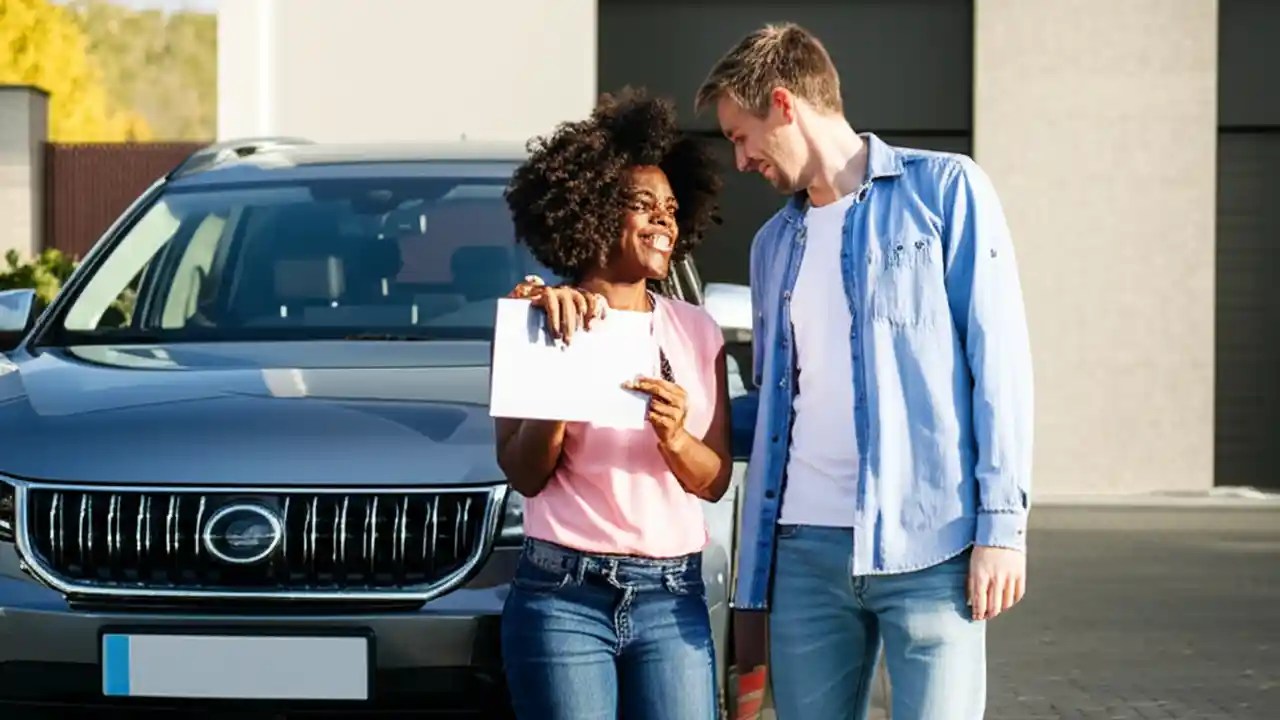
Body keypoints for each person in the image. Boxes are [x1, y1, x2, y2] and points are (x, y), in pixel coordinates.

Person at [694, 23, 1035, 720]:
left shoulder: (945, 193)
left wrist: (1002, 529)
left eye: (740, 134)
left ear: (784, 104)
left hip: (932, 546)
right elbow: (782, 405)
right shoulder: (771, 246)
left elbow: (998, 367)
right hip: (806, 554)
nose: (739, 159)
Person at [494, 88, 732, 720]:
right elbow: (523, 474)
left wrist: (677, 438)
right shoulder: (534, 319)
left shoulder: (697, 331)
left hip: (671, 596)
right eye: (643, 204)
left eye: (673, 208)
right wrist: (557, 378)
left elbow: (715, 481)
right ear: (595, 210)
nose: (665, 220)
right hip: (561, 598)